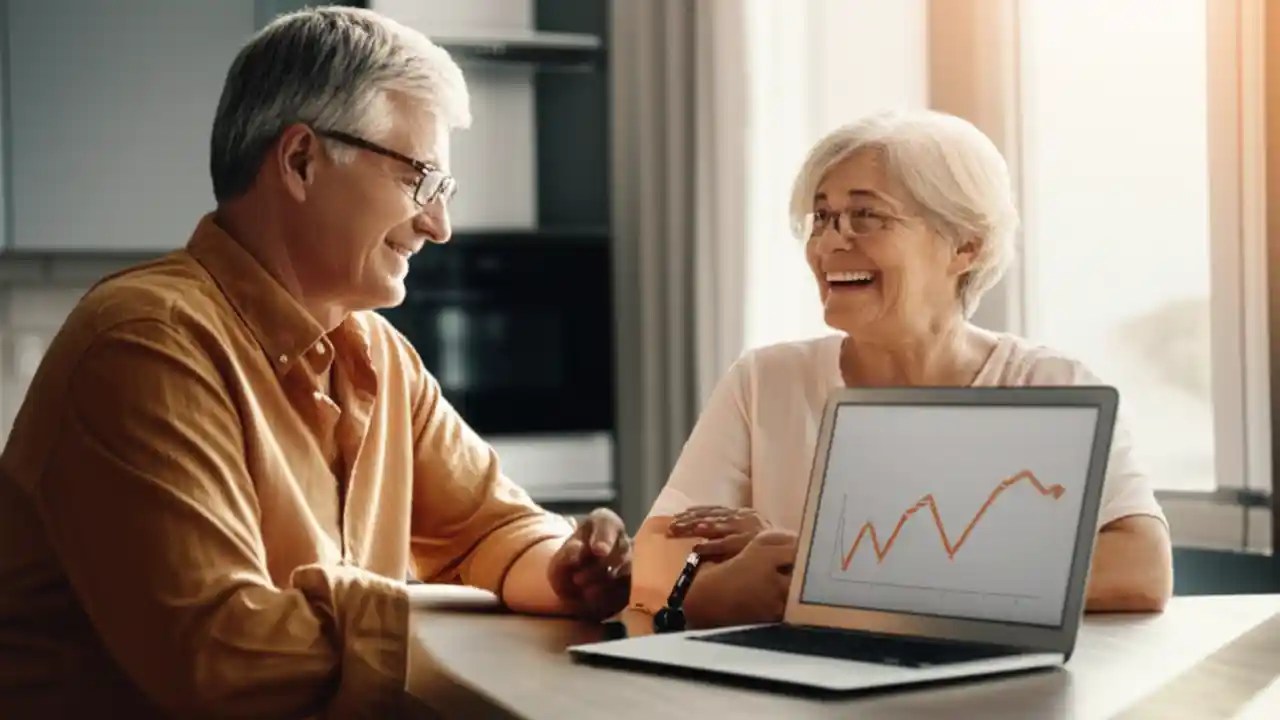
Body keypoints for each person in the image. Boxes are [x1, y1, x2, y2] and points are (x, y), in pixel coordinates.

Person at [0, 7, 631, 718]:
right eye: (419, 179)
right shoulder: (146, 344)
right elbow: (223, 658)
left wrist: (564, 566)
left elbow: (492, 528)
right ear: (300, 161)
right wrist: (429, 620)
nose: (439, 224)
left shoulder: (380, 357)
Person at [630, 109, 1173, 629]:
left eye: (866, 216)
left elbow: (1140, 567)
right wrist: (714, 592)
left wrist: (826, 571)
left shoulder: (1055, 386)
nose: (829, 242)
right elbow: (655, 550)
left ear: (967, 245)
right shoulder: (765, 380)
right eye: (822, 217)